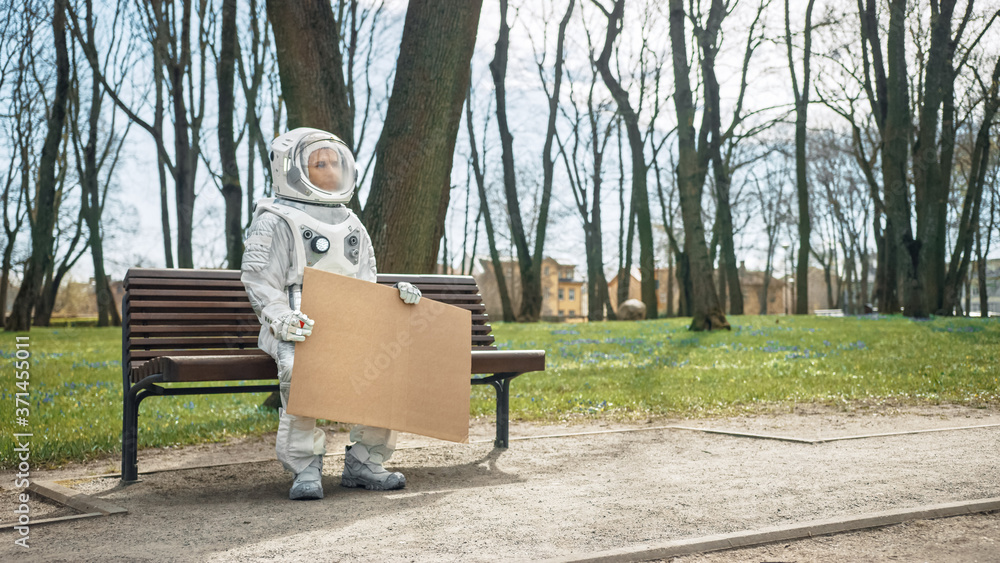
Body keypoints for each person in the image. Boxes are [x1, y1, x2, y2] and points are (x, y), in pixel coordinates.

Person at [241, 127, 421, 500]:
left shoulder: (351, 223)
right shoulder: (275, 219)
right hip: (294, 322)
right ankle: (305, 467)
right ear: (290, 170)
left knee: (386, 365)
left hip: (349, 322)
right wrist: (280, 319)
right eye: (319, 163)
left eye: (336, 162)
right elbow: (260, 282)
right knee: (301, 368)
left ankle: (366, 461)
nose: (331, 169)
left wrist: (395, 300)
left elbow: (365, 282)